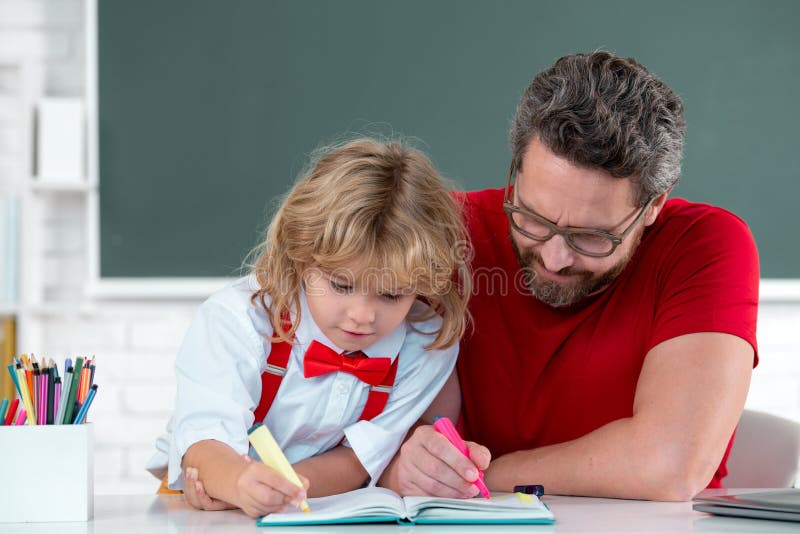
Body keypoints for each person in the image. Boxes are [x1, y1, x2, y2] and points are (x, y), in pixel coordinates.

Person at [379, 51, 758, 502]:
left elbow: (669, 465)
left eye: (592, 236)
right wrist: (401, 468)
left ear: (653, 206)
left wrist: (485, 477)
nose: (555, 258)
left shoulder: (705, 244)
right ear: (516, 171)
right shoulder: (442, 231)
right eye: (533, 218)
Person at [146, 138, 471, 517]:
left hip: (308, 507)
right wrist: (235, 482)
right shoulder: (237, 320)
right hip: (209, 507)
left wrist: (280, 488)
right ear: (301, 256)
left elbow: (357, 461)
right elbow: (203, 441)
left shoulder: (423, 345)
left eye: (392, 294)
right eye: (342, 285)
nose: (362, 315)